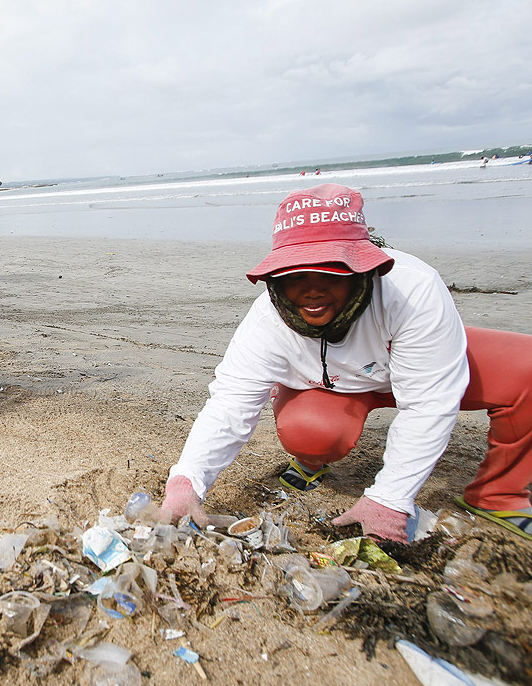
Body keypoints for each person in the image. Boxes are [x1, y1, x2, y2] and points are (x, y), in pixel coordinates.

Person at [159, 183, 532, 543]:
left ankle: (497, 495)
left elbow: (428, 403)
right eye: (294, 275)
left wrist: (389, 498)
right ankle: (311, 460)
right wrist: (186, 480)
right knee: (310, 430)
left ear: (363, 269)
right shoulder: (266, 322)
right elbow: (229, 404)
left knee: (527, 370)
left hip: (417, 363)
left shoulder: (413, 290)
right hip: (336, 387)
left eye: (331, 271)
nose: (312, 290)